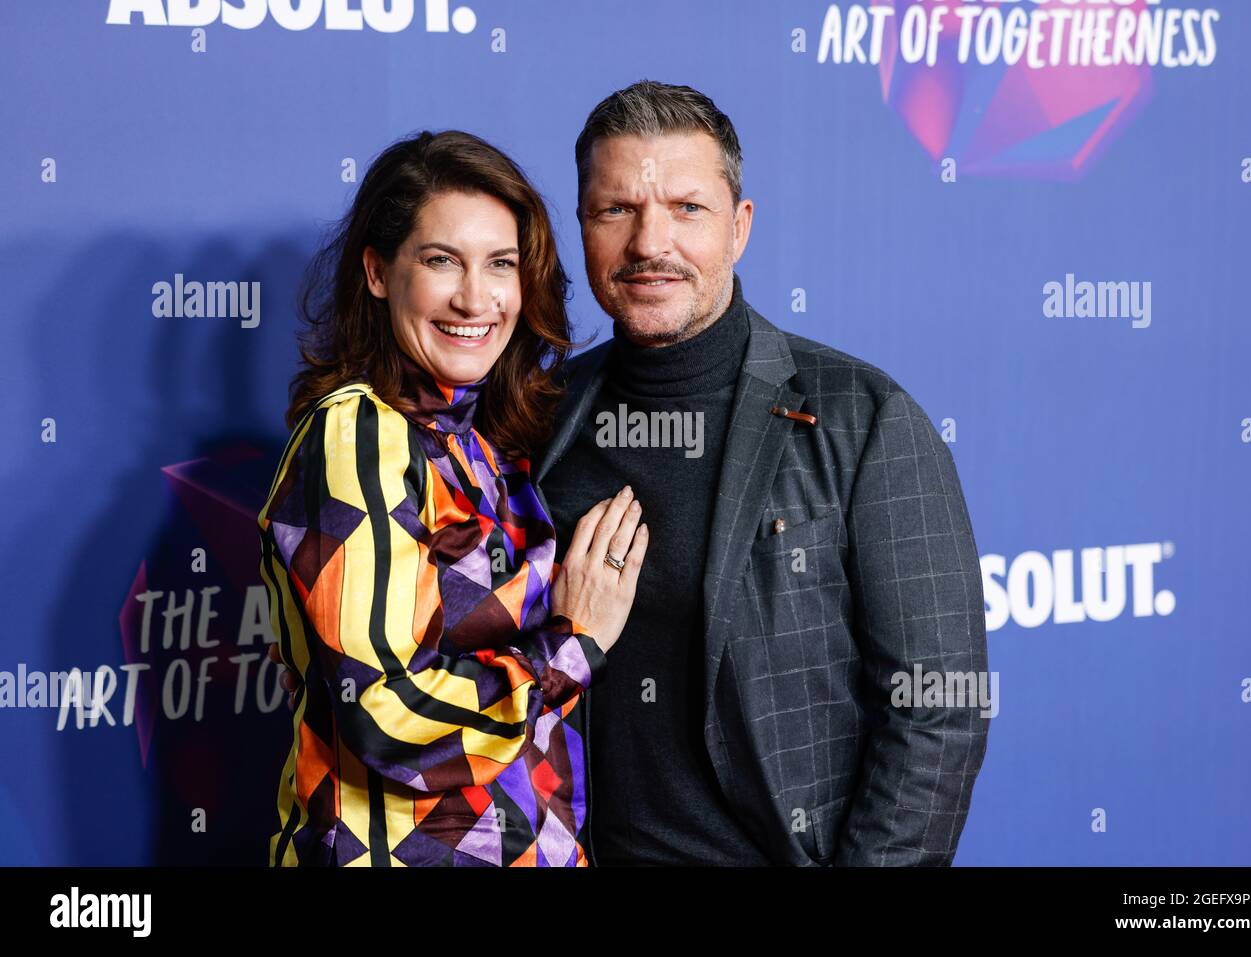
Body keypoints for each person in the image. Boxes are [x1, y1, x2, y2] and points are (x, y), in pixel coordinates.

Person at [535, 80, 991, 866]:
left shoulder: (865, 418)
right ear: (581, 229)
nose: (651, 244)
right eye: (617, 210)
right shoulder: (537, 420)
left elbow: (937, 711)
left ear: (739, 228)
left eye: (687, 209)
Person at [257, 129, 648, 867]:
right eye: (442, 261)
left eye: (500, 264)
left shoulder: (478, 439)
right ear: (377, 271)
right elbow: (384, 715)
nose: (477, 296)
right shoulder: (360, 437)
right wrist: (574, 643)